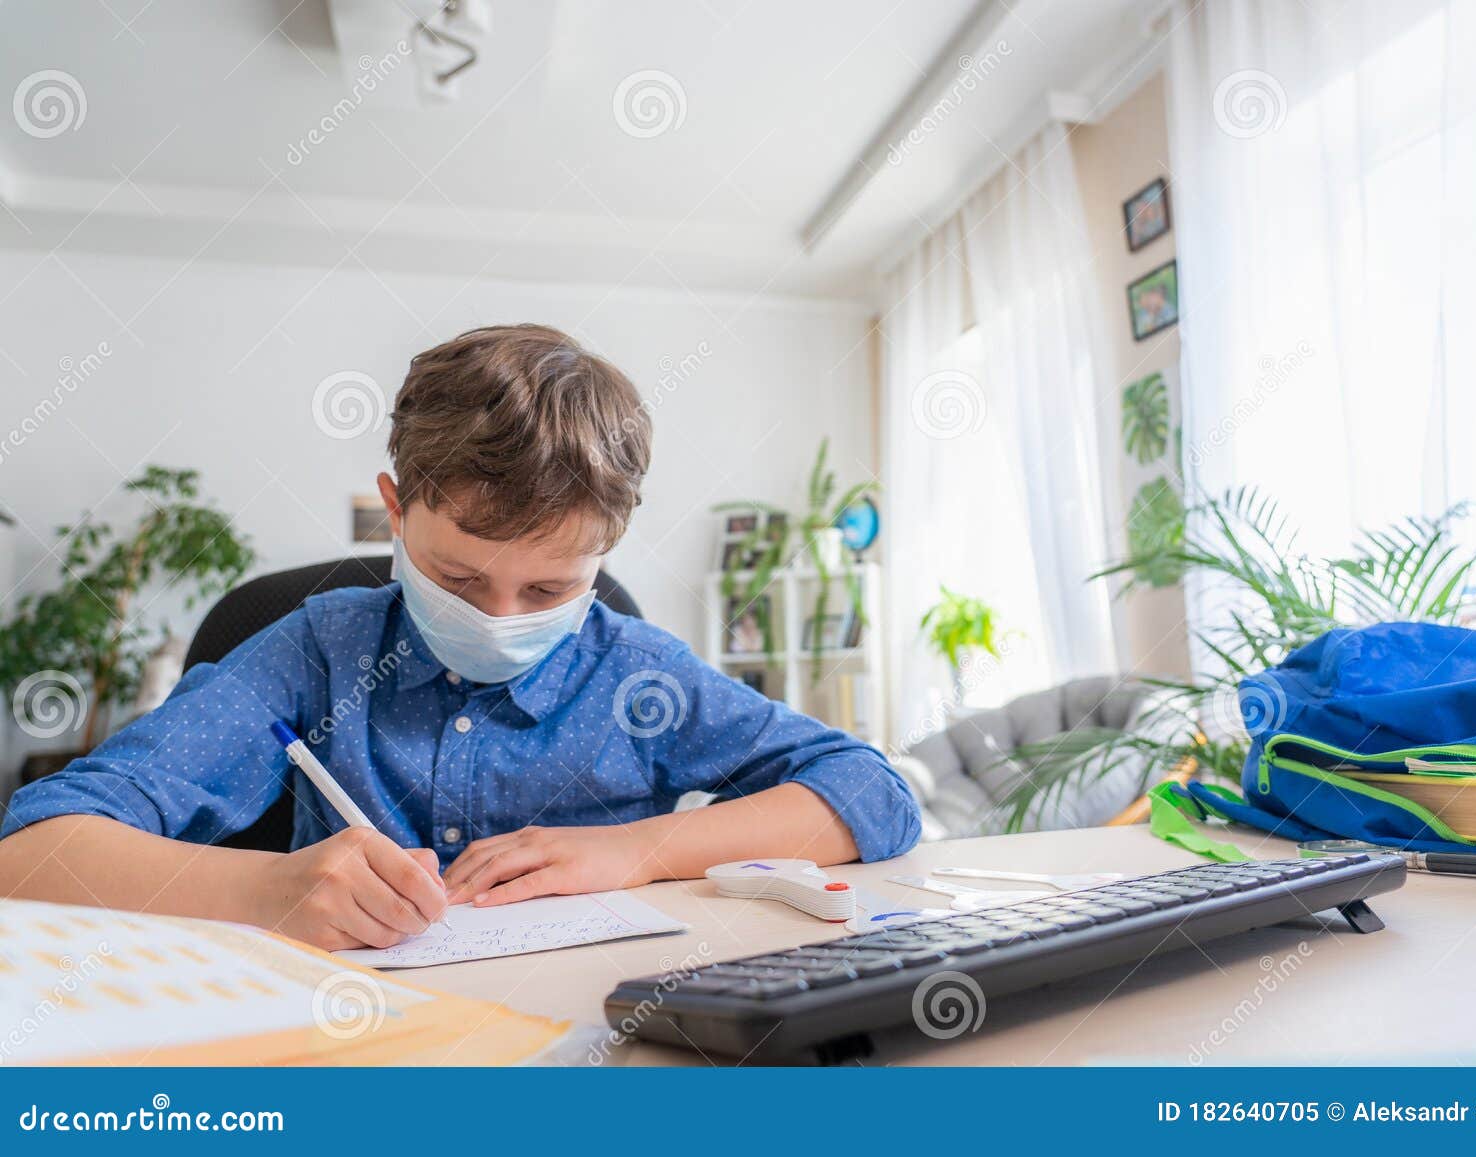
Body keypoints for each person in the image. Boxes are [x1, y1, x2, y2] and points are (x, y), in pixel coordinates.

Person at [0, 325, 920, 950]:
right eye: (459, 577)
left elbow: (872, 792)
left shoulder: (638, 673)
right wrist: (265, 890)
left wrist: (635, 849)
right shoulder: (315, 652)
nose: (501, 617)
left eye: (551, 586)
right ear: (396, 514)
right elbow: (32, 847)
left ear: (608, 547)